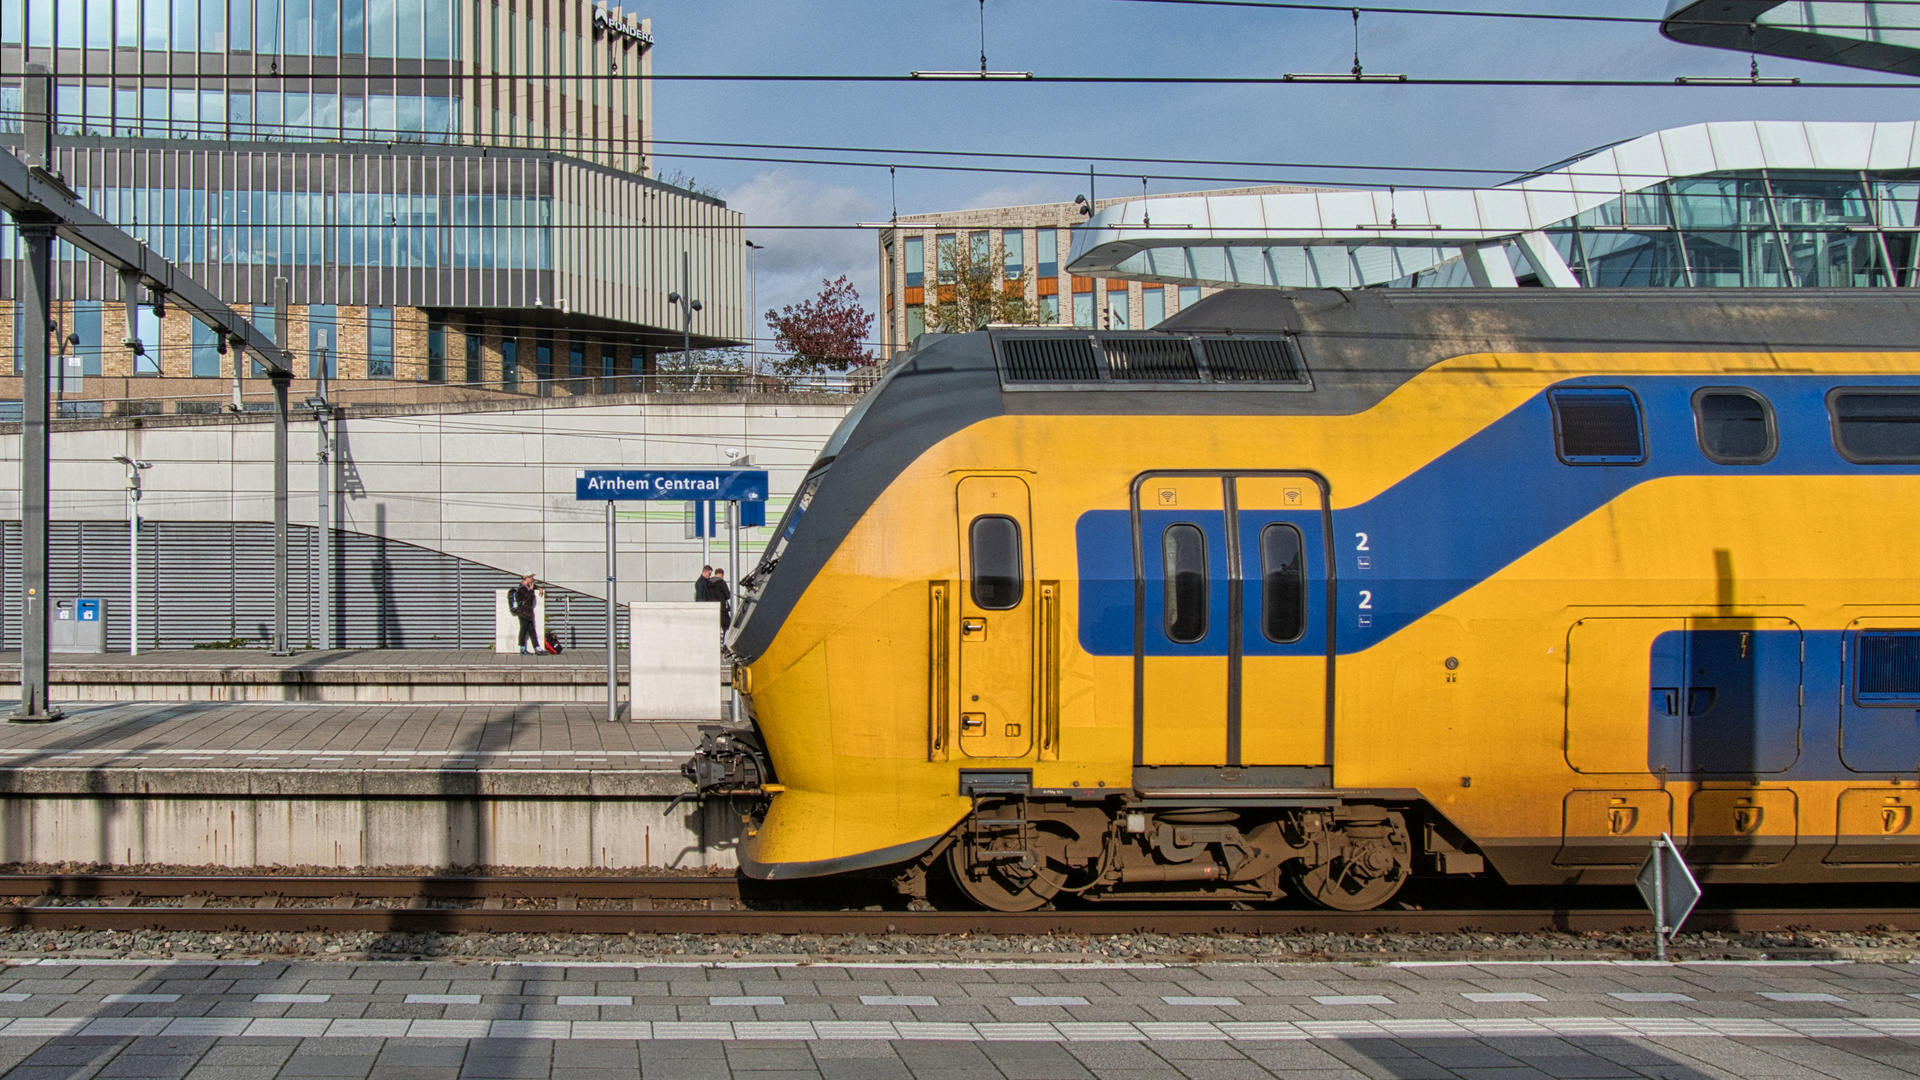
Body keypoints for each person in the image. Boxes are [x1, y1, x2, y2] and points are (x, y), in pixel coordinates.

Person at [510, 574, 541, 655]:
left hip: (528, 613)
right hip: (523, 612)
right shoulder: (521, 588)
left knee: (532, 630)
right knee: (523, 629)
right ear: (526, 578)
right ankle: (523, 648)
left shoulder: (527, 586)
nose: (533, 580)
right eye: (531, 578)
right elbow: (528, 599)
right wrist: (531, 590)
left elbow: (534, 587)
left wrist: (538, 588)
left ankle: (536, 647)